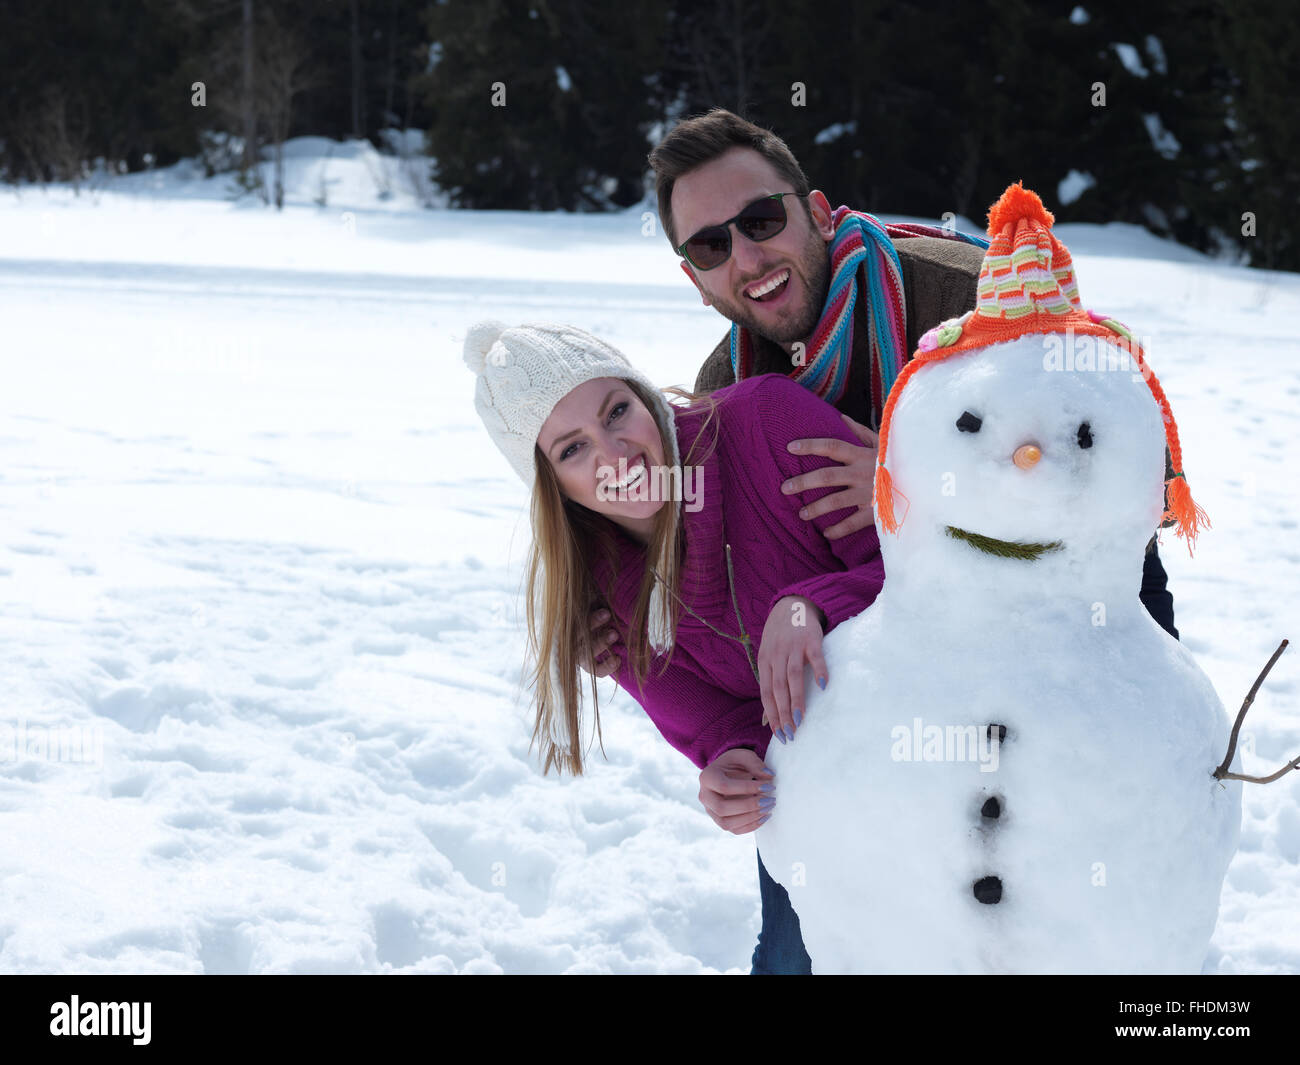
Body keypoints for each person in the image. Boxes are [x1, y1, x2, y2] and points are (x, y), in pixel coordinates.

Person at [463, 320, 886, 974]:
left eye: (617, 411)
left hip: (933, 736)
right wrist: (730, 768)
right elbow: (724, 723)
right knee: (789, 963)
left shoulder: (768, 423)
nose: (614, 453)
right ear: (550, 483)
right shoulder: (600, 597)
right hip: (819, 793)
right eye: (573, 449)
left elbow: (930, 578)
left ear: (643, 394)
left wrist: (815, 605)